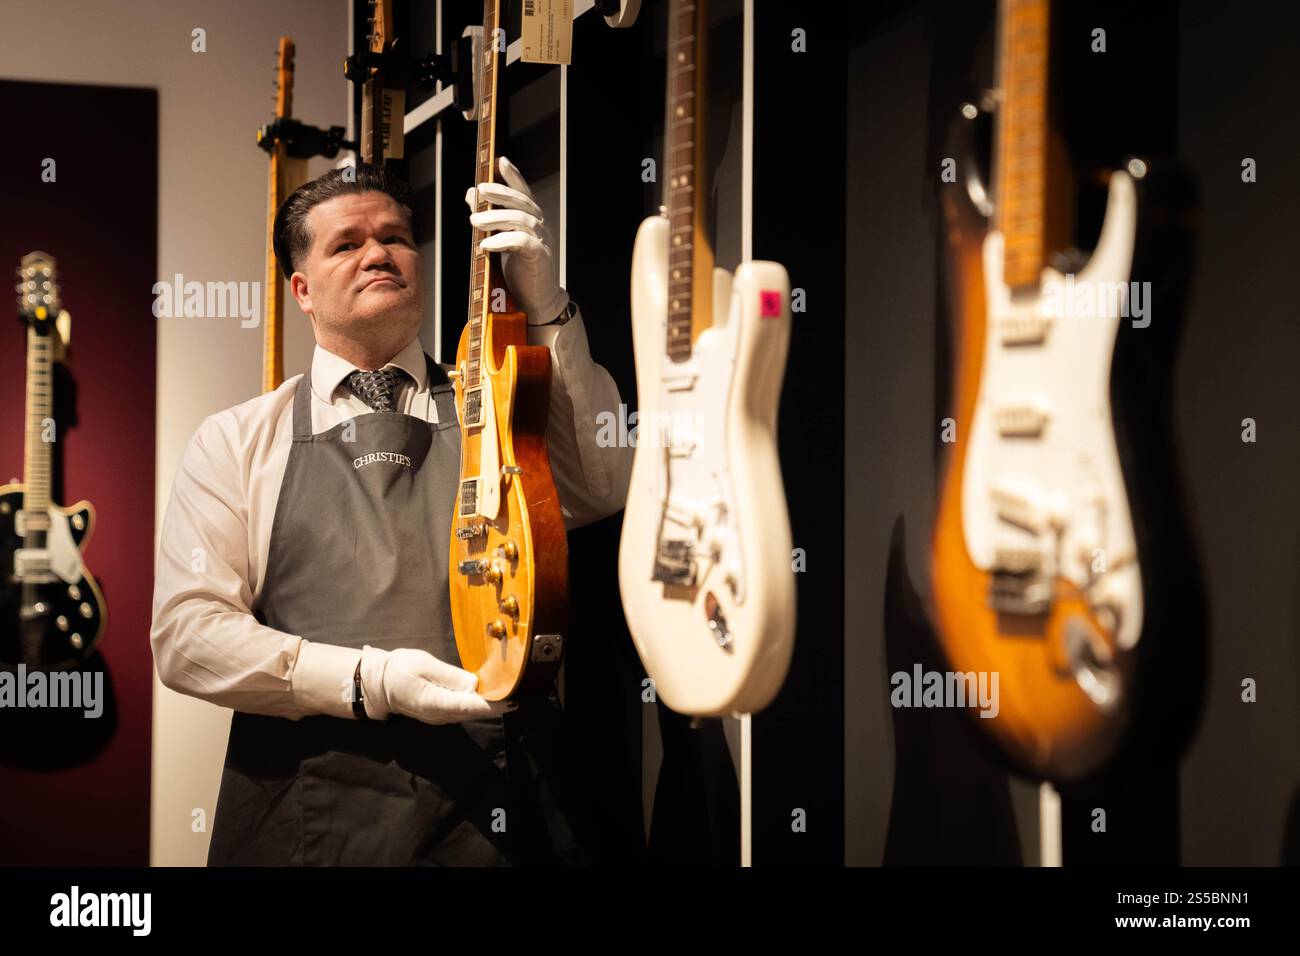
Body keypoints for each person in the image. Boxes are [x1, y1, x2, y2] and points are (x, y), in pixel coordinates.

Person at [150, 160, 631, 865]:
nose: (379, 253)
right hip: (310, 821)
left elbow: (605, 484)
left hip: (502, 813)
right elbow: (187, 637)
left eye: (397, 237)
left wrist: (549, 306)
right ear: (302, 290)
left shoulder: (497, 402)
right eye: (347, 244)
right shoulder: (237, 439)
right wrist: (369, 682)